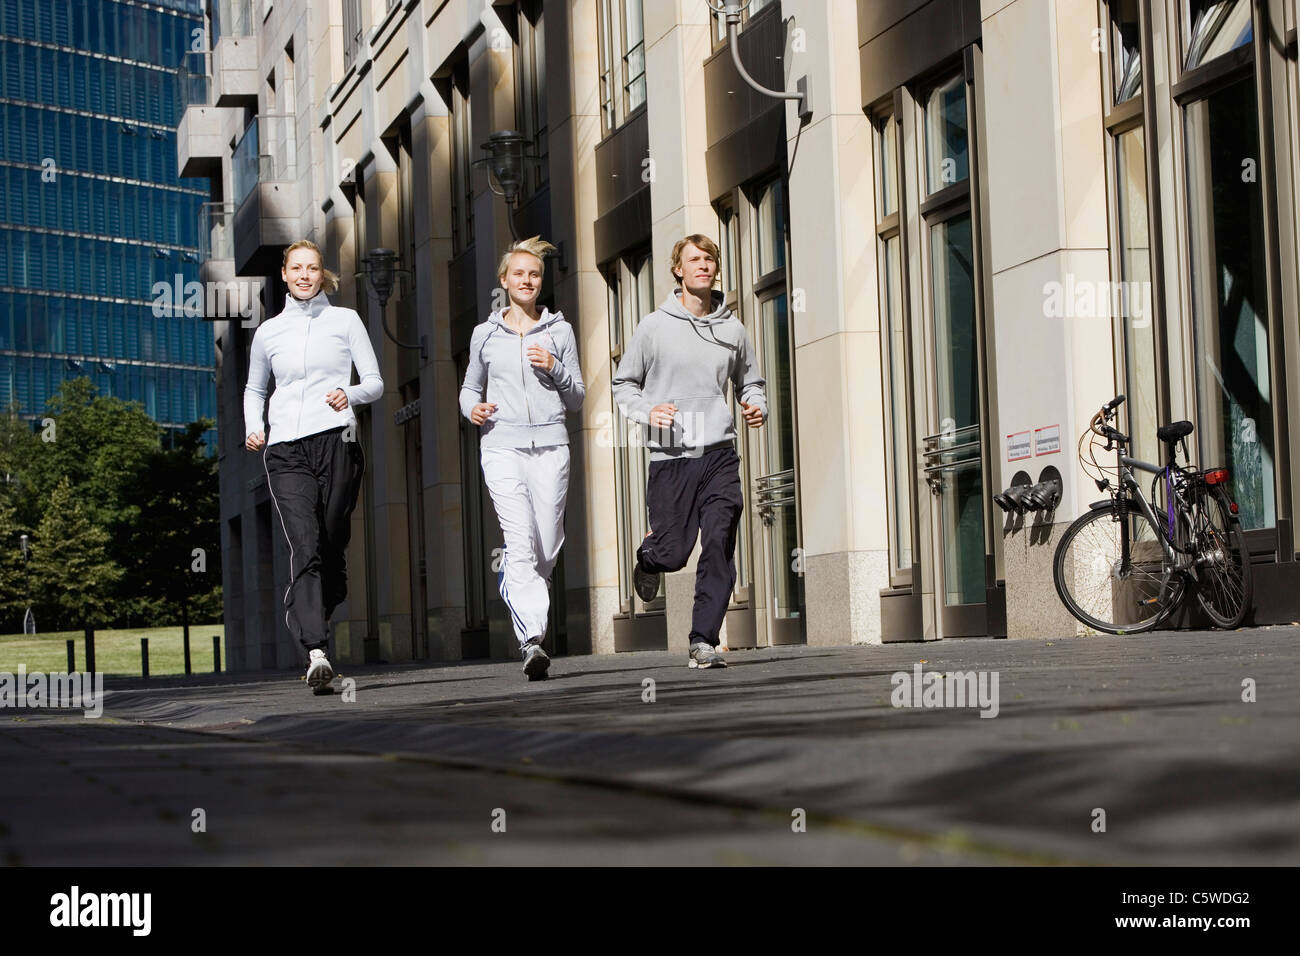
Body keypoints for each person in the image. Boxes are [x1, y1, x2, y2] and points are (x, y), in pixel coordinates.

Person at [612, 234, 766, 669]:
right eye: (694, 260)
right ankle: (650, 554)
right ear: (677, 270)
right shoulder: (653, 327)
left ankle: (703, 639)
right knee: (674, 553)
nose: (703, 265)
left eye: (709, 259)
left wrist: (757, 406)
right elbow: (624, 384)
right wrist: (646, 411)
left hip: (719, 454)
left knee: (718, 541)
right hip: (671, 457)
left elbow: (751, 381)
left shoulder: (732, 328)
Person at [244, 240, 383, 693]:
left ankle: (326, 593)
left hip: (337, 440)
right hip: (285, 448)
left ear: (323, 275)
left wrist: (352, 395)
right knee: (304, 544)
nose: (305, 275)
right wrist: (254, 426)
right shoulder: (268, 333)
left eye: (313, 268)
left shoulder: (345, 321)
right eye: (297, 268)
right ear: (283, 274)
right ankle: (316, 651)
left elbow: (376, 382)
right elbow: (254, 389)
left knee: (330, 539)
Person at [459, 236, 585, 680]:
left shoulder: (560, 332)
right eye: (519, 274)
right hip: (501, 447)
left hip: (551, 445)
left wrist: (554, 366)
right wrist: (471, 409)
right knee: (519, 541)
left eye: (534, 274)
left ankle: (526, 590)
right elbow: (470, 388)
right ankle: (531, 639)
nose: (527, 280)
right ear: (504, 280)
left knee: (546, 544)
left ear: (541, 281)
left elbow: (577, 398)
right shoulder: (484, 334)